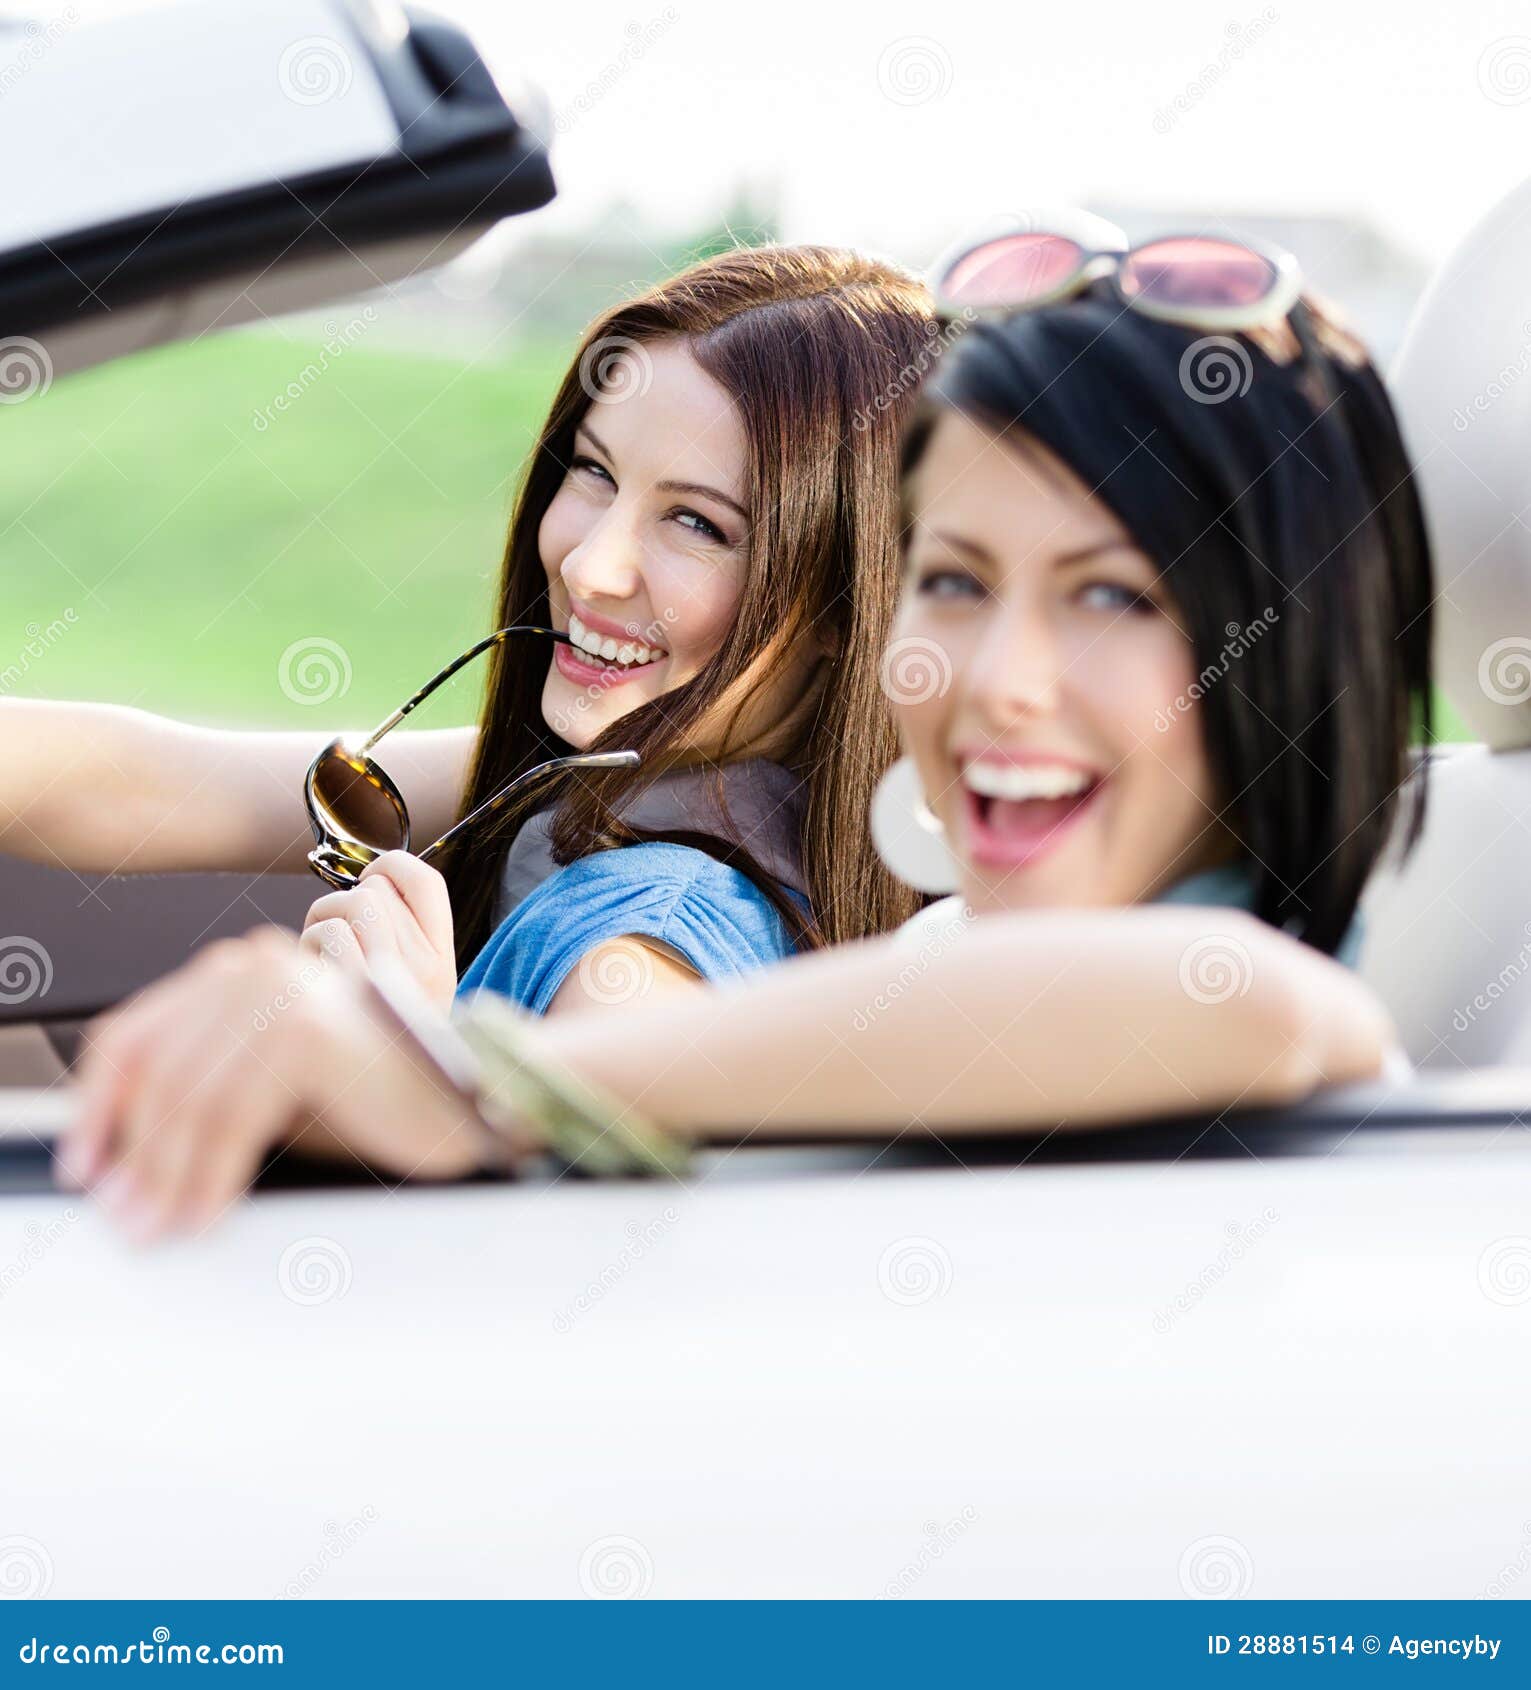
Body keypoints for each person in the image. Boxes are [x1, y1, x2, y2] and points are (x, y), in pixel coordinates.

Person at [57, 225, 1433, 1235]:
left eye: (1110, 596)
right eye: (952, 580)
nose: (996, 679)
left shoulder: (1252, 1005)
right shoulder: (860, 891)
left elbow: (1242, 997)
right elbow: (149, 779)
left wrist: (456, 1067)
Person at [1, 245, 935, 1018]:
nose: (587, 567)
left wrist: (403, 1058)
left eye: (697, 523)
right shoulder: (653, 782)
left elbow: (546, 1248)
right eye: (595, 472)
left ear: (847, 609)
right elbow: (143, 786)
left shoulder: (632, 963)